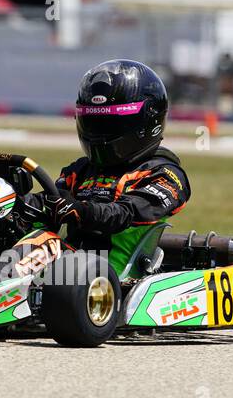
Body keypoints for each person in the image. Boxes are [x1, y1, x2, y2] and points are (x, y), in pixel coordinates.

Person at [49, 59, 191, 274]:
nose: (99, 134)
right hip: (63, 266)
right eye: (93, 124)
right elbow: (51, 204)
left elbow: (126, 213)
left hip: (110, 276)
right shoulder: (80, 170)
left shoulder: (166, 175)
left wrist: (81, 210)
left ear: (146, 122)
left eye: (109, 124)